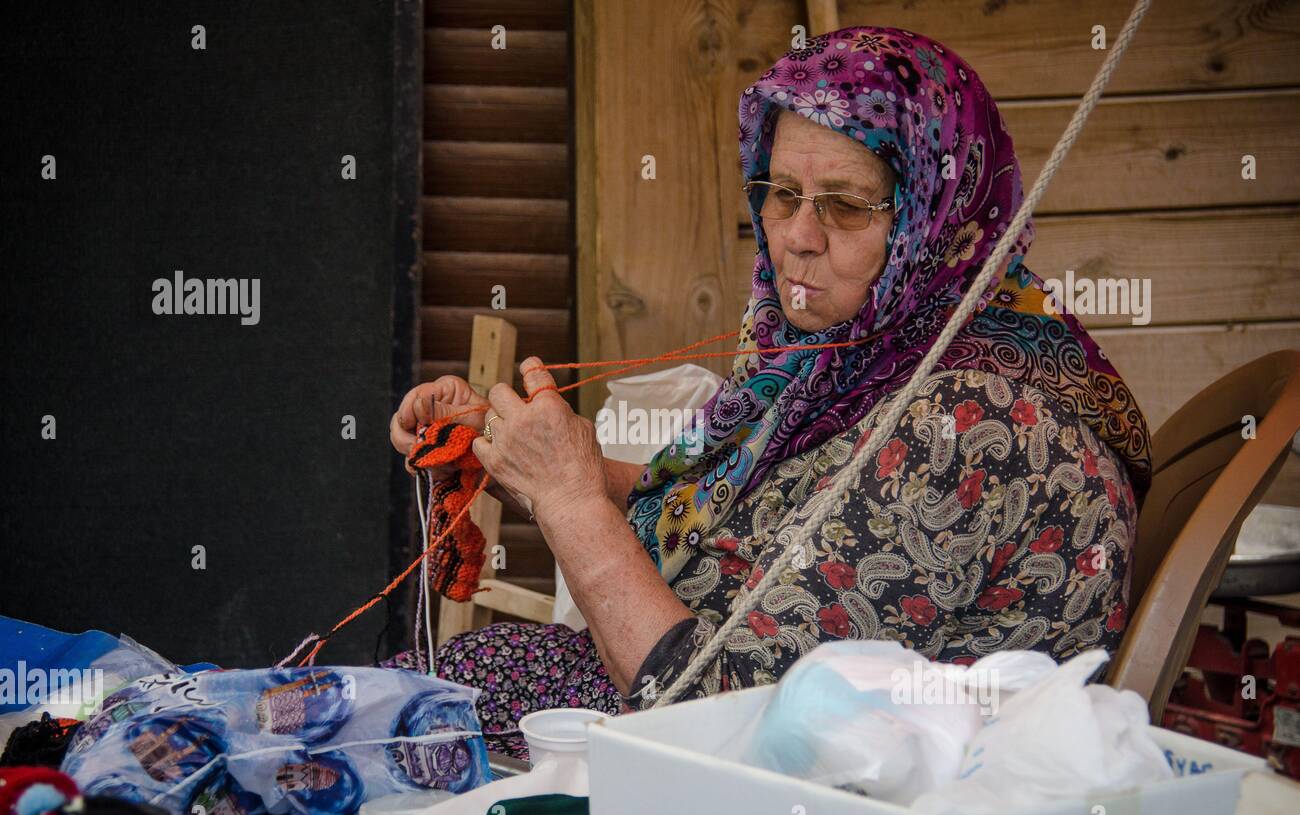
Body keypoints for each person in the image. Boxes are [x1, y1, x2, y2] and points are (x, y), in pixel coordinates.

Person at [388, 26, 1152, 758]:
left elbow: (715, 717)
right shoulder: (869, 354)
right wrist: (517, 451)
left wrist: (569, 499)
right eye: (781, 193)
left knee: (405, 717)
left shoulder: (972, 424)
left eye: (847, 205)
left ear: (935, 219)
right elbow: (738, 509)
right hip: (724, 726)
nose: (796, 235)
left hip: (797, 788)